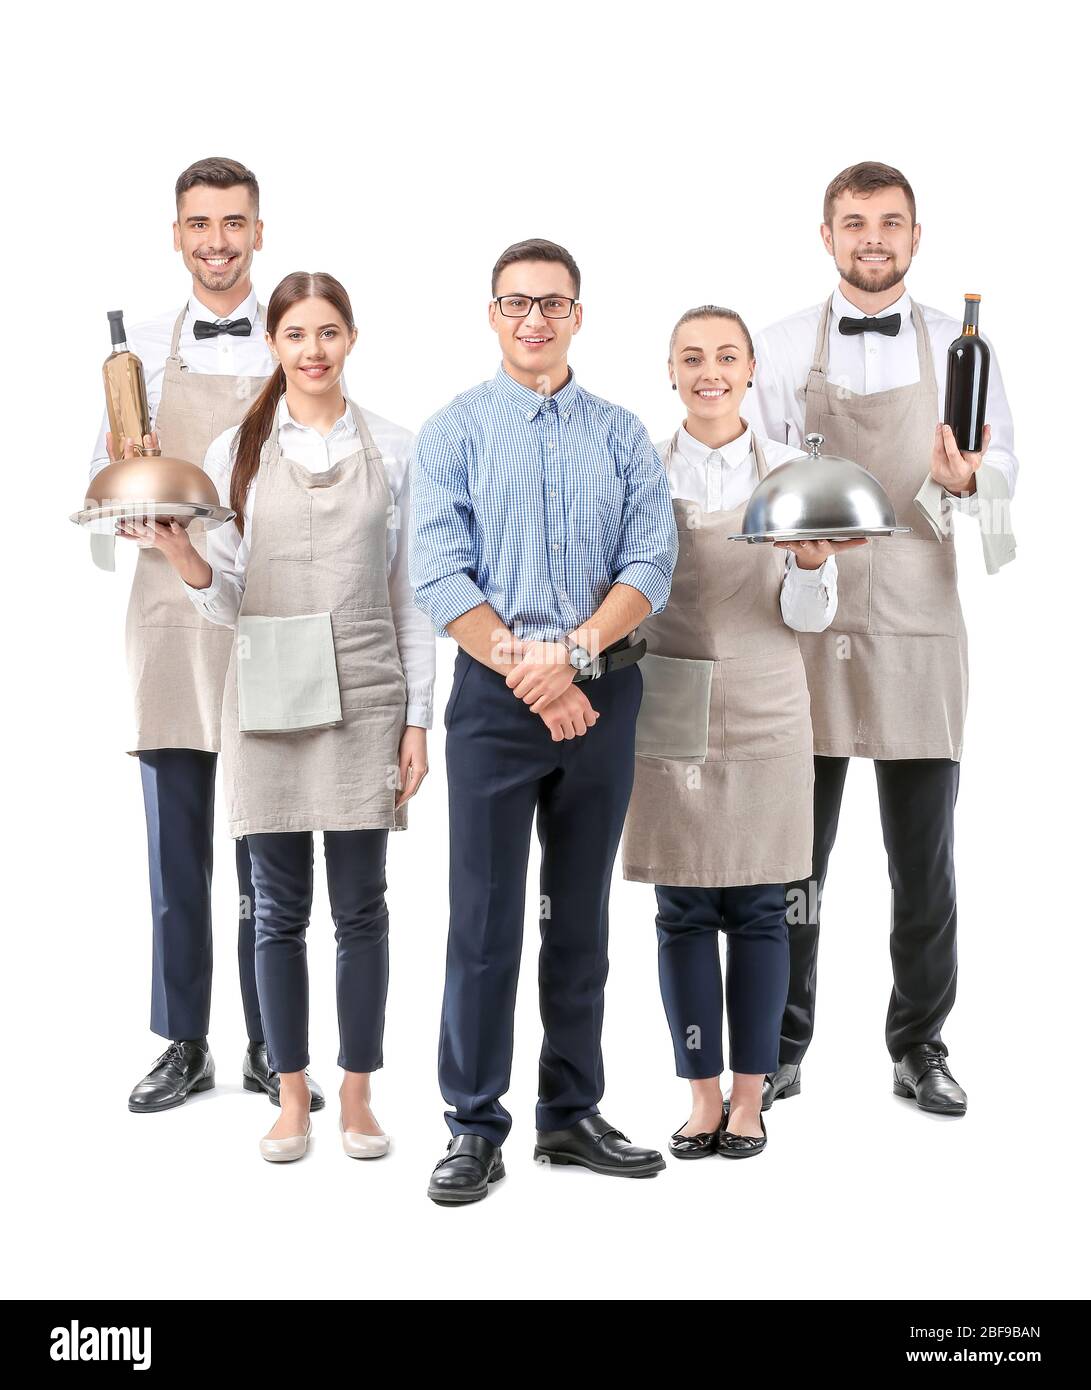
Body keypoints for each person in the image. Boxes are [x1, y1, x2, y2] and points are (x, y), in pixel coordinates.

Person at [124, 271, 434, 1162]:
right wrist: (182, 553)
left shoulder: (400, 446)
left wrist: (418, 719)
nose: (312, 350)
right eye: (296, 335)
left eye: (327, 333)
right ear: (275, 344)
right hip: (266, 690)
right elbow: (226, 600)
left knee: (364, 908)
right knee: (278, 910)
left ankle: (361, 1096)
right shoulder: (234, 450)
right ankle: (292, 1097)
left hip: (368, 687)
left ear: (351, 339)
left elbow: (411, 596)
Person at [411, 238, 678, 1204]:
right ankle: (472, 1125)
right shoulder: (455, 431)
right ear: (492, 313)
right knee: (482, 921)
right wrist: (530, 671)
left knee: (578, 917)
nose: (534, 318)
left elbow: (650, 562)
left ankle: (568, 1116)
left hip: (602, 696)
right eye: (516, 303)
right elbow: (439, 575)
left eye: (552, 303)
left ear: (577, 315)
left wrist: (569, 659)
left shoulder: (619, 433)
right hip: (492, 701)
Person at [750, 161, 1019, 1116]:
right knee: (791, 858)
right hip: (802, 622)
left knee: (925, 862)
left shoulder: (962, 348)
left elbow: (1003, 491)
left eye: (890, 222)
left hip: (917, 625)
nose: (873, 237)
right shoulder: (781, 346)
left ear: (915, 237)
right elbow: (760, 479)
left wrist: (959, 482)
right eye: (854, 221)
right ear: (825, 236)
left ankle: (920, 1044)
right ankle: (776, 1044)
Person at [92, 157, 326, 1113]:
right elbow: (98, 495)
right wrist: (127, 483)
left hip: (276, 612)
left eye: (234, 223)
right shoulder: (139, 354)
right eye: (200, 224)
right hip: (168, 621)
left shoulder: (301, 342)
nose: (218, 242)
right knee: (175, 845)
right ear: (177, 235)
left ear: (260, 233)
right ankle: (183, 1040)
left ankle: (274, 1040)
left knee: (272, 838)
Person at [622, 305, 862, 1157]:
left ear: (752, 370)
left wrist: (809, 567)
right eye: (692, 357)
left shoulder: (794, 474)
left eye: (726, 356)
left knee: (764, 905)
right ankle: (698, 1094)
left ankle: (751, 1098)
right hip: (671, 701)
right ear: (670, 370)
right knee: (681, 906)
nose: (709, 371)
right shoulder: (639, 471)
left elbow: (808, 618)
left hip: (768, 702)